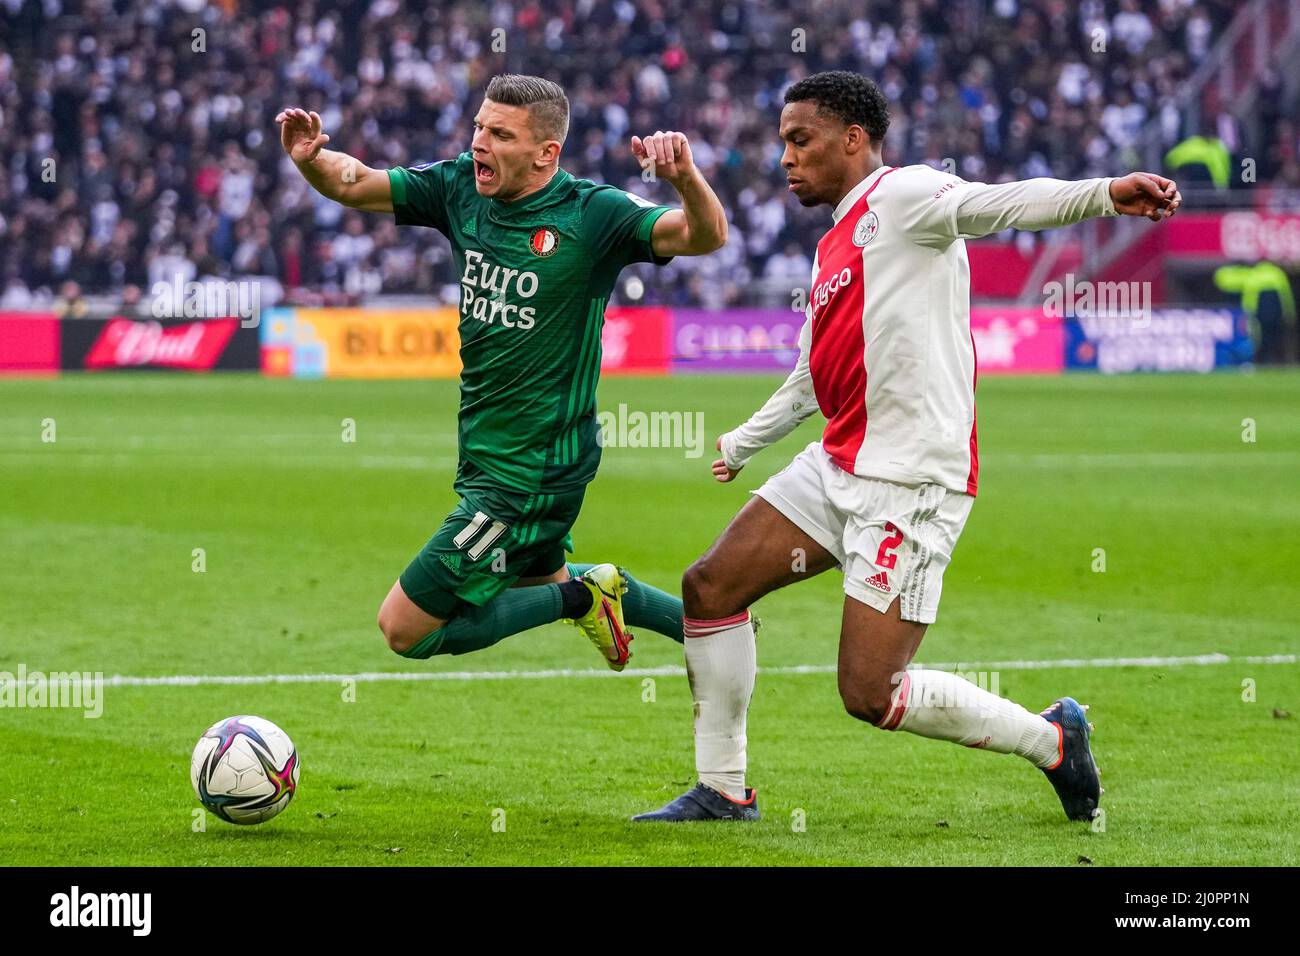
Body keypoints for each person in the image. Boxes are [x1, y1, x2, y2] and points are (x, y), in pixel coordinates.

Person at [634, 71, 1181, 823]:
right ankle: (723, 790)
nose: (785, 159)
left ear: (853, 140)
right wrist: (746, 440)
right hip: (839, 463)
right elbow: (809, 371)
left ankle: (1052, 739)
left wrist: (1105, 192)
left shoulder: (906, 195)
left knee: (869, 693)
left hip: (913, 479)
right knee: (710, 588)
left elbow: (1001, 204)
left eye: (801, 141)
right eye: (782, 143)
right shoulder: (834, 243)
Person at [276, 74, 729, 668]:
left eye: (500, 134)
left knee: (405, 628)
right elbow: (355, 182)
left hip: (528, 475)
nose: (479, 144)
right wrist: (312, 160)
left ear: (547, 153)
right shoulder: (460, 187)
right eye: (478, 128)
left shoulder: (592, 215)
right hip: (487, 455)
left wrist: (684, 180)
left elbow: (706, 234)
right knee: (537, 584)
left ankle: (581, 600)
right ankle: (717, 627)